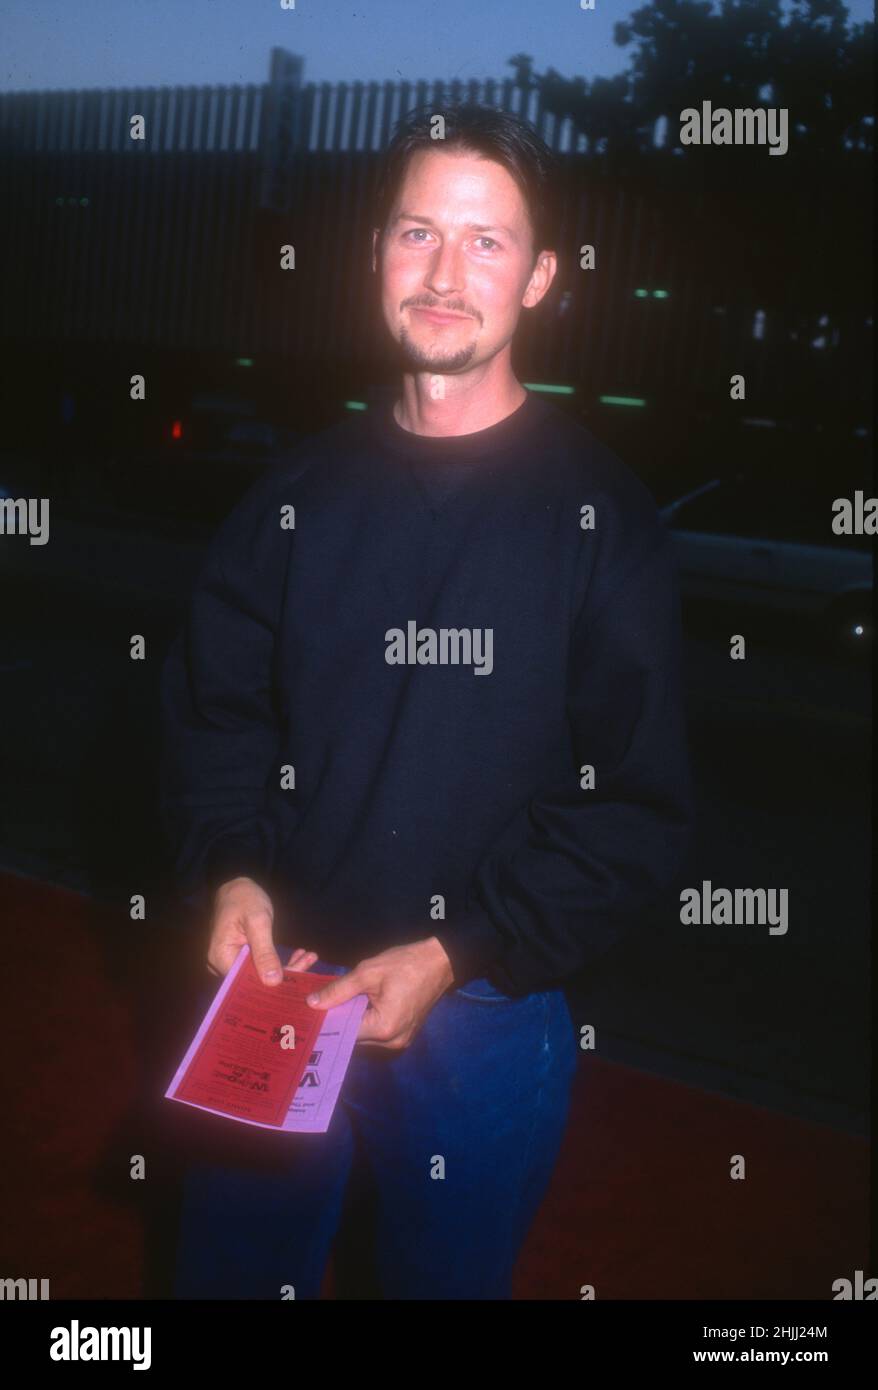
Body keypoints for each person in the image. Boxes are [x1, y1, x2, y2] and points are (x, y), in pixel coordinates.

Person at [159, 102, 694, 1300]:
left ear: (543, 277)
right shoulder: (290, 495)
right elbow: (216, 711)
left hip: (482, 1021)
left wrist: (459, 951)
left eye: (487, 242)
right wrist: (232, 865)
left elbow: (636, 808)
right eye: (416, 234)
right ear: (373, 256)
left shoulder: (603, 524)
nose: (446, 275)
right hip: (282, 988)